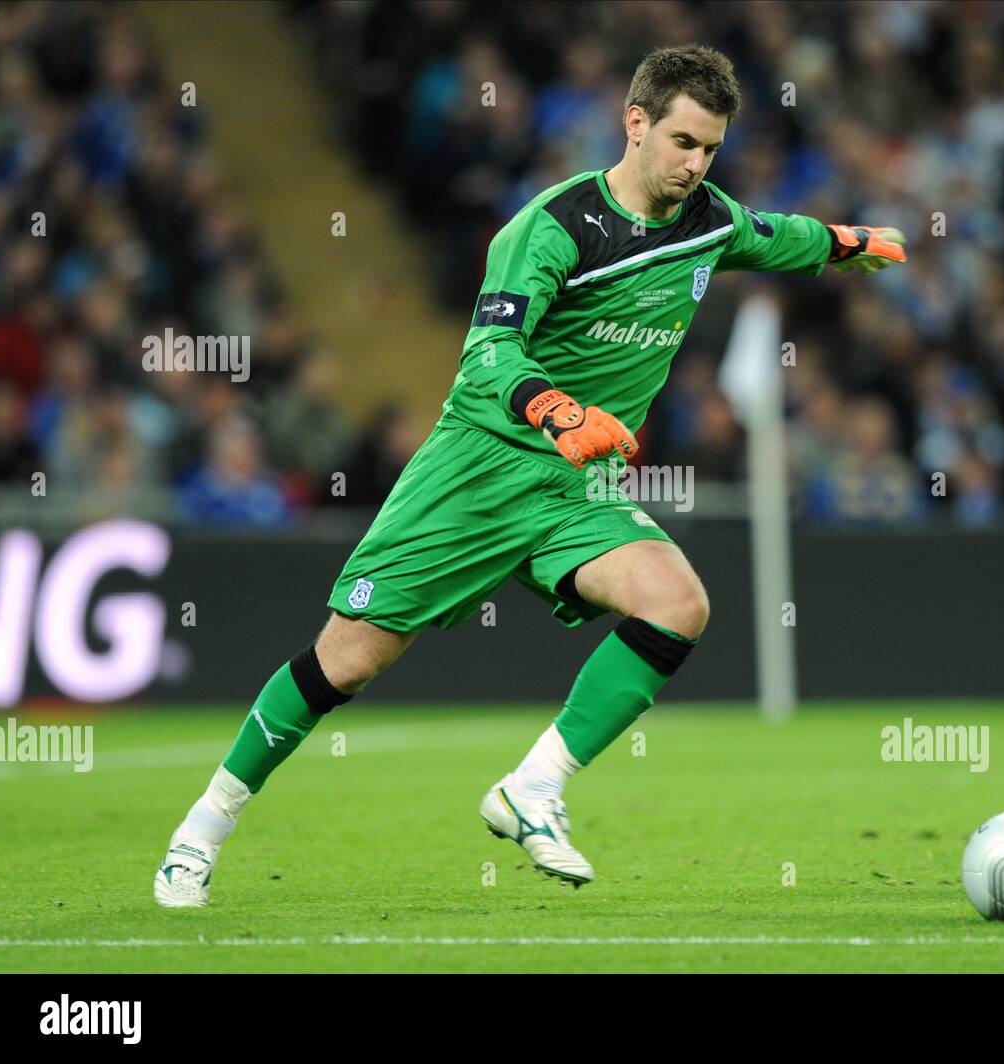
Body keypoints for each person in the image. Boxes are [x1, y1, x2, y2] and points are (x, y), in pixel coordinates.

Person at [154, 42, 906, 905]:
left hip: (573, 489)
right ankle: (200, 830)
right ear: (636, 123)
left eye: (710, 149)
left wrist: (850, 242)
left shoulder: (711, 220)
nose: (696, 164)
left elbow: (782, 236)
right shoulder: (550, 227)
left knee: (679, 603)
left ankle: (532, 788)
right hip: (478, 468)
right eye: (684, 142)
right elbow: (487, 352)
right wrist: (556, 409)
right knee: (347, 663)